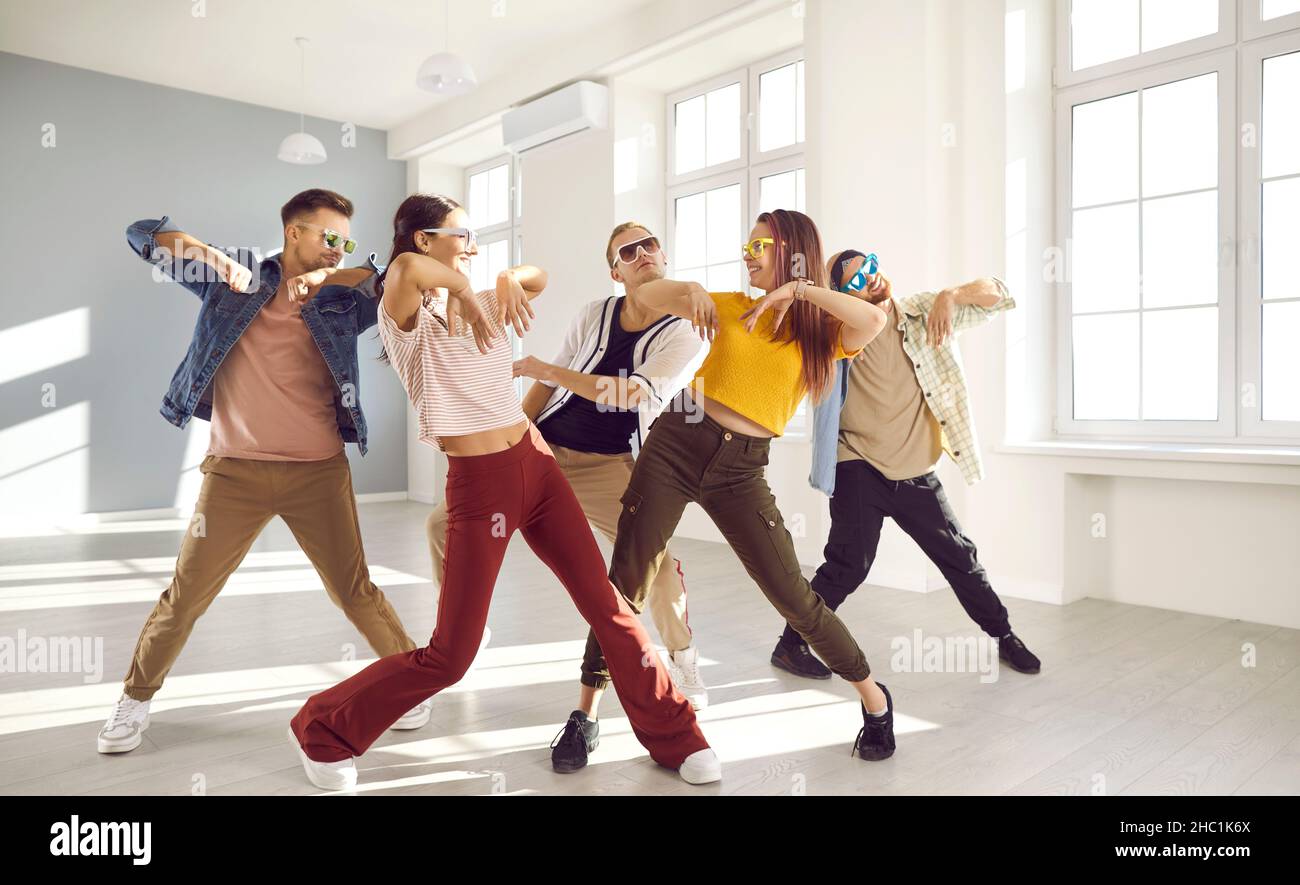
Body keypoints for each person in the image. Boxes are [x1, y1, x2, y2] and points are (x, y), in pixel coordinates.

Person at [287, 195, 720, 790]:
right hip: (480, 484)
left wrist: (506, 278)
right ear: (424, 238)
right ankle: (320, 726)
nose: (472, 245)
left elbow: (539, 277)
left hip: (536, 462)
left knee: (608, 606)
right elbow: (406, 270)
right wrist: (465, 291)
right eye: (460, 235)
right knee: (451, 655)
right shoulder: (405, 314)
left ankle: (677, 734)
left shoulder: (490, 298)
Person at [559, 208, 901, 769]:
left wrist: (799, 291)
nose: (748, 253)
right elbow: (646, 295)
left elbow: (874, 320)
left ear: (792, 253)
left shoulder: (824, 334)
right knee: (626, 582)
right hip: (675, 443)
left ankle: (875, 700)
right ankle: (585, 715)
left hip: (741, 470)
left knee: (794, 596)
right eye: (747, 244)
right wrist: (688, 289)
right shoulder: (732, 305)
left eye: (760, 245)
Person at [100, 190, 429, 755]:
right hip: (233, 475)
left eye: (345, 240)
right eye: (329, 236)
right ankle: (134, 698)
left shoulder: (341, 298)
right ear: (293, 232)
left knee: (354, 591)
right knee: (186, 596)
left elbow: (394, 277)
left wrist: (327, 276)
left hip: (318, 474)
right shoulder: (237, 280)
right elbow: (141, 234)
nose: (339, 248)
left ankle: (409, 686)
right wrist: (213, 257)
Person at [771, 249, 1041, 678]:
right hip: (858, 464)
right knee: (847, 566)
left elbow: (1000, 294)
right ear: (842, 295)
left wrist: (952, 295)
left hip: (915, 471)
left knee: (960, 558)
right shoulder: (837, 335)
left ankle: (1004, 636)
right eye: (856, 280)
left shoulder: (922, 313)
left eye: (871, 266)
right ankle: (790, 645)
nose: (871, 278)